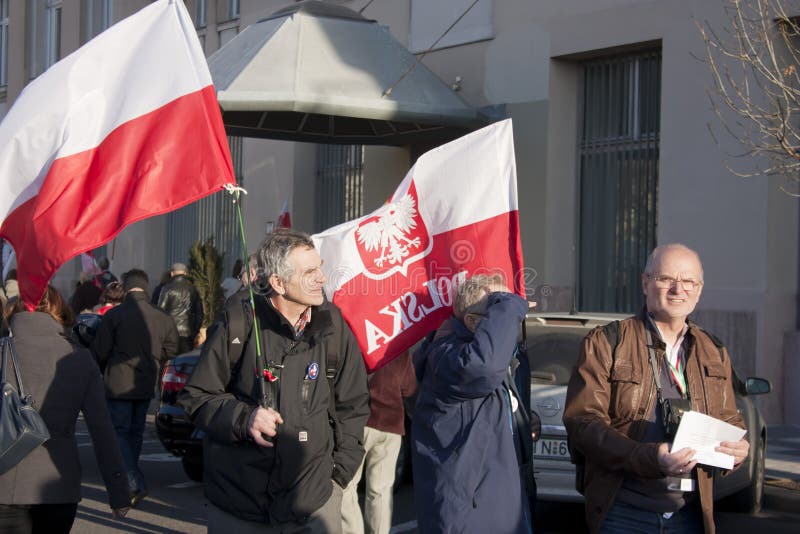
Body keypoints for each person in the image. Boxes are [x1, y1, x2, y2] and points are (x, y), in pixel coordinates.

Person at [179, 228, 370, 533]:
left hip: (314, 505)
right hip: (240, 507)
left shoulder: (333, 325)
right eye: (310, 272)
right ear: (278, 283)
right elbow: (197, 396)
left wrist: (338, 476)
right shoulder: (239, 322)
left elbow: (353, 403)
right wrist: (245, 418)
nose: (322, 278)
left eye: (320, 267)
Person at [563, 244, 750, 534]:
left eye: (688, 281)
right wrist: (651, 458)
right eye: (666, 279)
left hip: (690, 515)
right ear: (645, 282)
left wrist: (737, 450)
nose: (678, 289)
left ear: (699, 290)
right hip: (623, 513)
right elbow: (583, 424)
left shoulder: (714, 350)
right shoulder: (606, 342)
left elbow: (729, 420)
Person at [411, 274, 535, 534]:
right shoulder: (447, 357)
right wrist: (510, 305)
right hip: (468, 514)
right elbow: (483, 367)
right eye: (498, 309)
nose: (509, 323)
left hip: (500, 505)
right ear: (471, 322)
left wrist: (522, 423)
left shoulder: (501, 359)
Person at [0, 286, 130, 532]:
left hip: (4, 482)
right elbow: (102, 430)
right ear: (60, 311)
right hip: (57, 485)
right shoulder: (77, 358)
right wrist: (118, 490)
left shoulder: (3, 352)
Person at [91, 269, 179, 507]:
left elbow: (100, 350)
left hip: (118, 382)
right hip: (145, 382)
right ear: (145, 286)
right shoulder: (162, 317)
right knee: (135, 432)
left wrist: (103, 368)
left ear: (127, 287)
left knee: (119, 431)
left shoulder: (115, 315)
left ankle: (131, 479)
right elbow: (172, 351)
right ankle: (130, 477)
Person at [341, 351, 417, 534]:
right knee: (380, 490)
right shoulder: (400, 349)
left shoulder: (361, 345)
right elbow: (410, 388)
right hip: (392, 424)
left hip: (362, 422)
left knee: (347, 486)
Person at [157, 262, 203, 354]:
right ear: (185, 273)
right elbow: (199, 313)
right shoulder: (192, 289)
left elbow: (160, 312)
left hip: (170, 333)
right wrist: (195, 331)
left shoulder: (167, 289)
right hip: (187, 333)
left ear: (172, 273)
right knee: (185, 362)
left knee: (169, 362)